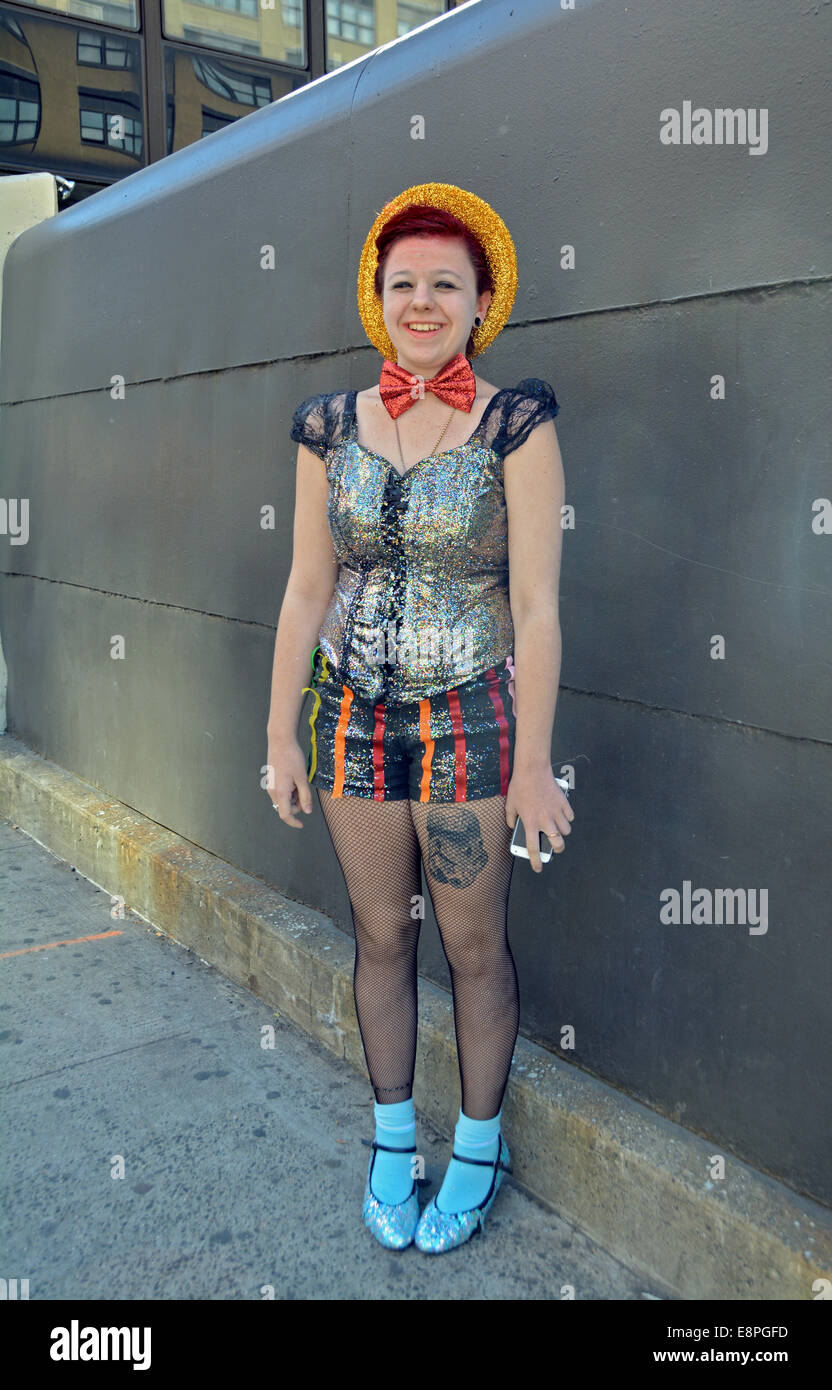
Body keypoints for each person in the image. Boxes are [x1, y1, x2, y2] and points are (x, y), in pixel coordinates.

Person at [266, 183, 572, 1254]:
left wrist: (534, 765)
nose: (424, 300)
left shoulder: (514, 422)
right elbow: (307, 589)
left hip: (472, 718)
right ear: (378, 299)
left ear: (481, 298)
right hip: (348, 718)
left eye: (446, 281)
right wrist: (279, 739)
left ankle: (479, 1148)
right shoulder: (324, 426)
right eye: (404, 283)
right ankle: (394, 1140)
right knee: (380, 934)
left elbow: (534, 605)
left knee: (473, 944)